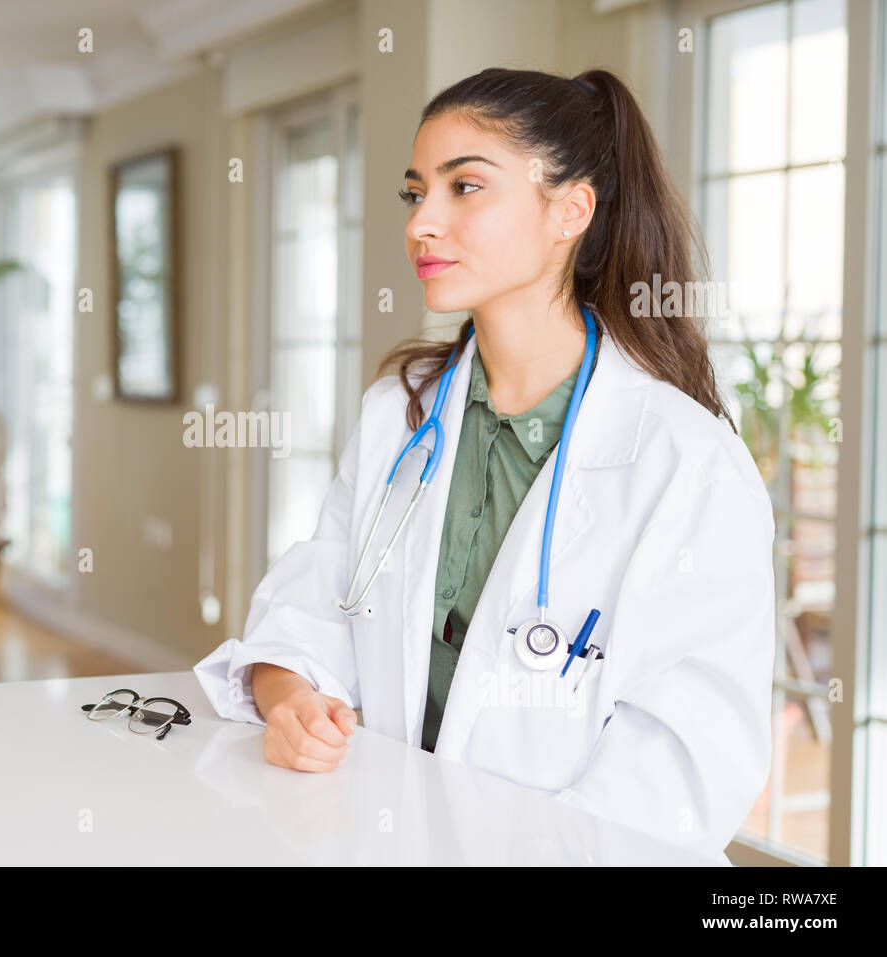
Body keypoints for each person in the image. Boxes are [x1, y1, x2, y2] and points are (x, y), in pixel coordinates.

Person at [194, 68, 776, 860]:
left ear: (571, 209)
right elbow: (320, 595)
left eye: (465, 187)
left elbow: (684, 761)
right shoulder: (398, 416)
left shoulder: (684, 460)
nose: (422, 224)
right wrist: (291, 693)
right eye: (414, 193)